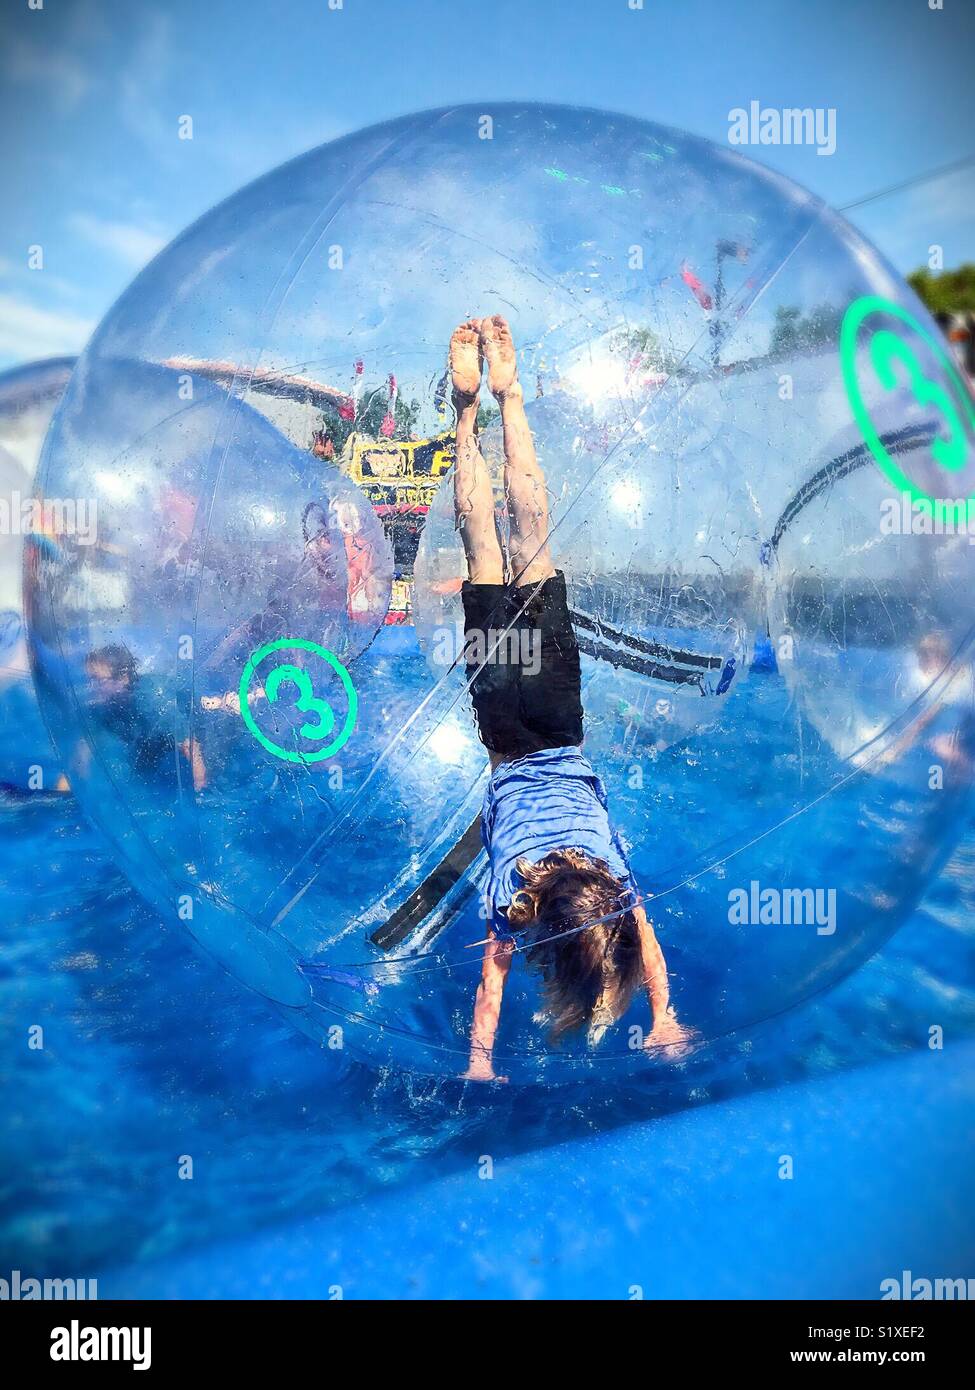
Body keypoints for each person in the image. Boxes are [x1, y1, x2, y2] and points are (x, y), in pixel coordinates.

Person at [449, 314, 692, 1081]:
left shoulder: (612, 879)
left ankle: (496, 400)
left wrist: (664, 1012)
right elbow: (489, 986)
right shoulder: (510, 901)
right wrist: (479, 1065)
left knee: (529, 537)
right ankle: (469, 410)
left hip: (554, 717)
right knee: (485, 550)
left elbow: (644, 942)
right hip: (503, 726)